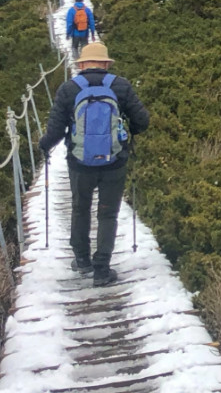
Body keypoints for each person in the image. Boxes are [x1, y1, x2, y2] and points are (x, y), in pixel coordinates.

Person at [39, 41, 149, 286]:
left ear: (82, 65)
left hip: (80, 164)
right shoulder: (120, 85)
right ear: (107, 64)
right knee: (108, 214)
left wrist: (44, 146)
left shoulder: (68, 89)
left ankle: (82, 260)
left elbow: (56, 130)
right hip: (114, 162)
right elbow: (142, 122)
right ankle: (102, 269)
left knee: (80, 208)